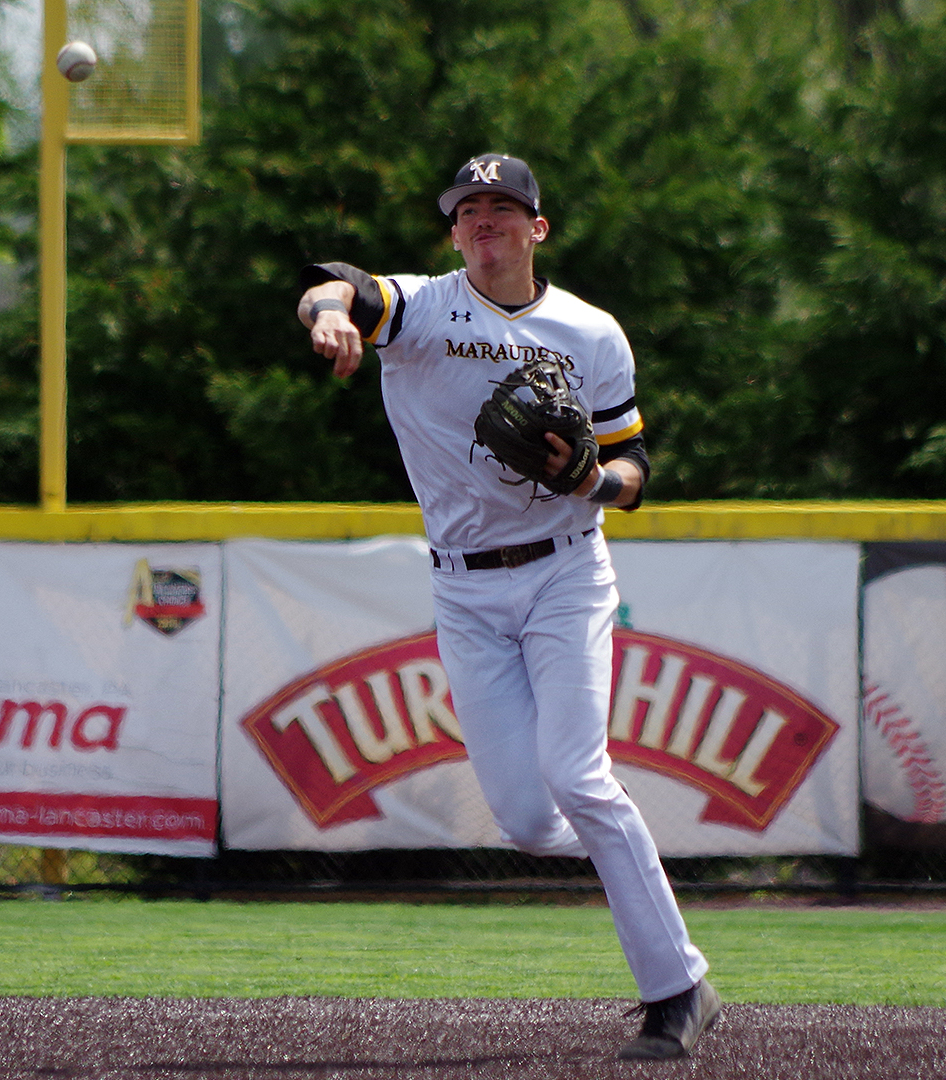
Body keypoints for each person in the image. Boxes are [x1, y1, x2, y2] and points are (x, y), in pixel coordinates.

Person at [295, 153, 719, 1060]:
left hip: (566, 573)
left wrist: (596, 479)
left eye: (504, 207)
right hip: (464, 587)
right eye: (468, 208)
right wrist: (332, 318)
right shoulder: (422, 308)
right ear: (453, 231)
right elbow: (337, 285)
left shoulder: (592, 331)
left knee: (577, 775)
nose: (485, 220)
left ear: (538, 228)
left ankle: (678, 990)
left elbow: (638, 469)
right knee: (530, 824)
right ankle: (629, 856)